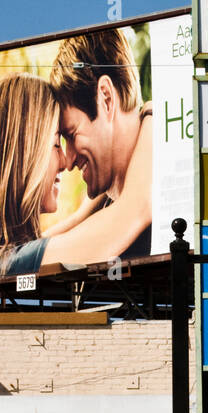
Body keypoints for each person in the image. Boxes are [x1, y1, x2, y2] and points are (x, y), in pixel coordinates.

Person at [0, 73, 149, 276]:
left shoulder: (5, 256)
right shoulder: (13, 262)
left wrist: (106, 179)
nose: (65, 162)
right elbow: (134, 211)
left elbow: (76, 223)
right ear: (26, 153)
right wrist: (152, 116)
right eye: (55, 144)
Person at [48, 29, 154, 259]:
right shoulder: (105, 213)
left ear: (106, 99)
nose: (68, 161)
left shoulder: (168, 202)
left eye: (72, 134)